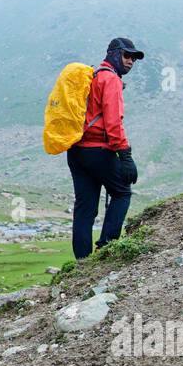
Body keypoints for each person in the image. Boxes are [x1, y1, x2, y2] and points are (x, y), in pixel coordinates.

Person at [67, 36, 143, 259]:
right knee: (122, 193)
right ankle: (106, 250)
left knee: (85, 207)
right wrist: (125, 155)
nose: (130, 61)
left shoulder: (93, 77)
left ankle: (82, 261)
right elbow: (113, 122)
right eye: (126, 55)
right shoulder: (110, 79)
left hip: (76, 151)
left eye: (134, 58)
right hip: (98, 149)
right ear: (113, 54)